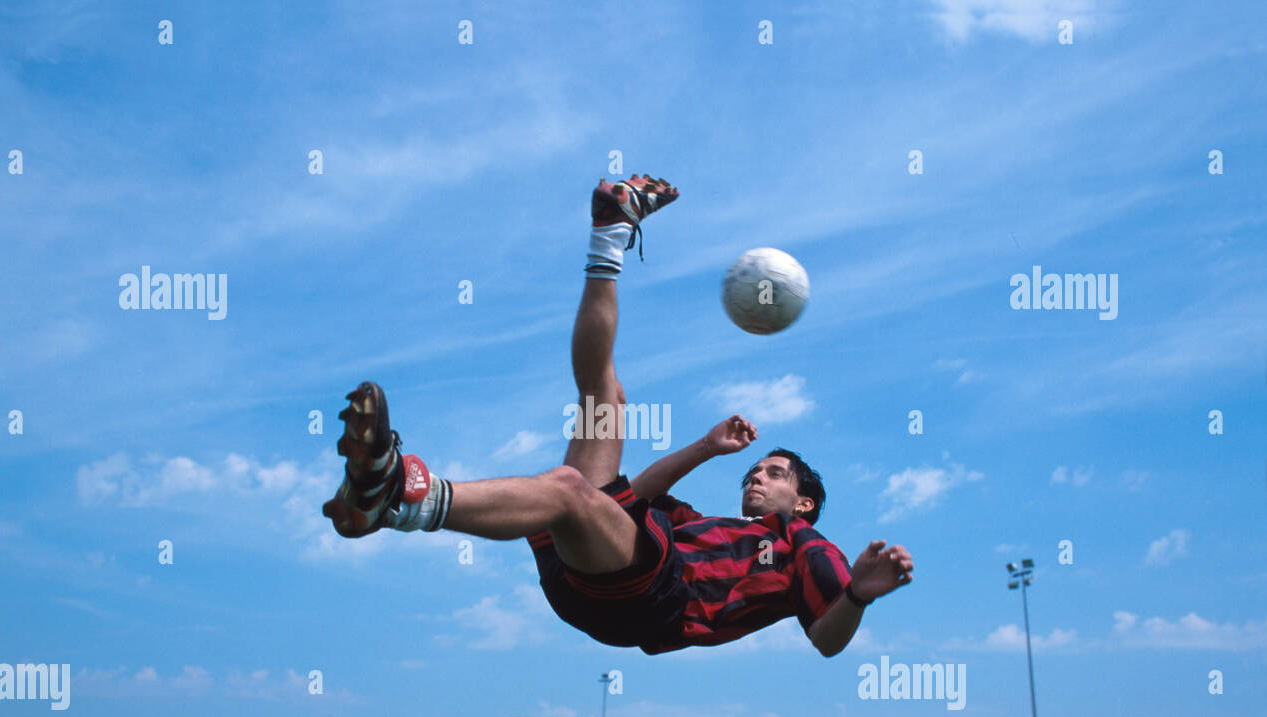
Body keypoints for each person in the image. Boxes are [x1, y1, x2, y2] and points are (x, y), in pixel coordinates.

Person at [322, 174, 913, 656]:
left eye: (776, 473)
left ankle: (400, 494)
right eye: (755, 471)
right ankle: (611, 235)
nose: (757, 475)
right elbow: (636, 496)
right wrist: (706, 447)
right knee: (607, 397)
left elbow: (827, 640)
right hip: (597, 567)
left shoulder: (801, 546)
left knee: (569, 490)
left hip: (652, 599)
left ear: (804, 502)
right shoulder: (703, 526)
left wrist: (858, 595)